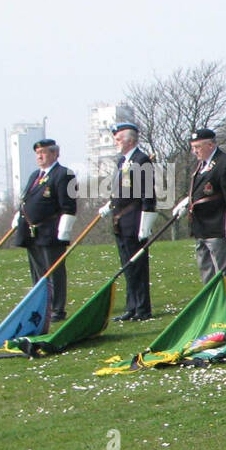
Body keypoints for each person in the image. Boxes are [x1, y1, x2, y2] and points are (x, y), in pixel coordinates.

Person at [174, 128, 226, 321]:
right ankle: (212, 307)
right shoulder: (200, 165)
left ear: (210, 145)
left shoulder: (225, 163)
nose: (195, 151)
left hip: (218, 225)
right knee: (206, 271)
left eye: (198, 147)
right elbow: (200, 192)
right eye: (193, 147)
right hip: (201, 227)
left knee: (224, 271)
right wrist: (186, 202)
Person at [99, 122, 156, 321]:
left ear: (129, 140)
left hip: (134, 220)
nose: (115, 142)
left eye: (118, 138)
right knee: (127, 266)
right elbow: (121, 190)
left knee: (138, 265)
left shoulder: (142, 161)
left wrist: (145, 224)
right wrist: (110, 204)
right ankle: (131, 307)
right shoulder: (122, 161)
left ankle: (142, 308)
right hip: (120, 220)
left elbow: (148, 195)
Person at [15, 138, 77, 322]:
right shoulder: (35, 175)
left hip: (51, 230)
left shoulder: (64, 174)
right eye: (37, 153)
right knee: (37, 272)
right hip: (31, 231)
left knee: (54, 271)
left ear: (54, 153)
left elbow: (69, 205)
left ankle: (57, 309)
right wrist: (19, 218)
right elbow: (25, 199)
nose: (39, 156)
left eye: (43, 153)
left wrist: (64, 230)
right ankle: (42, 306)